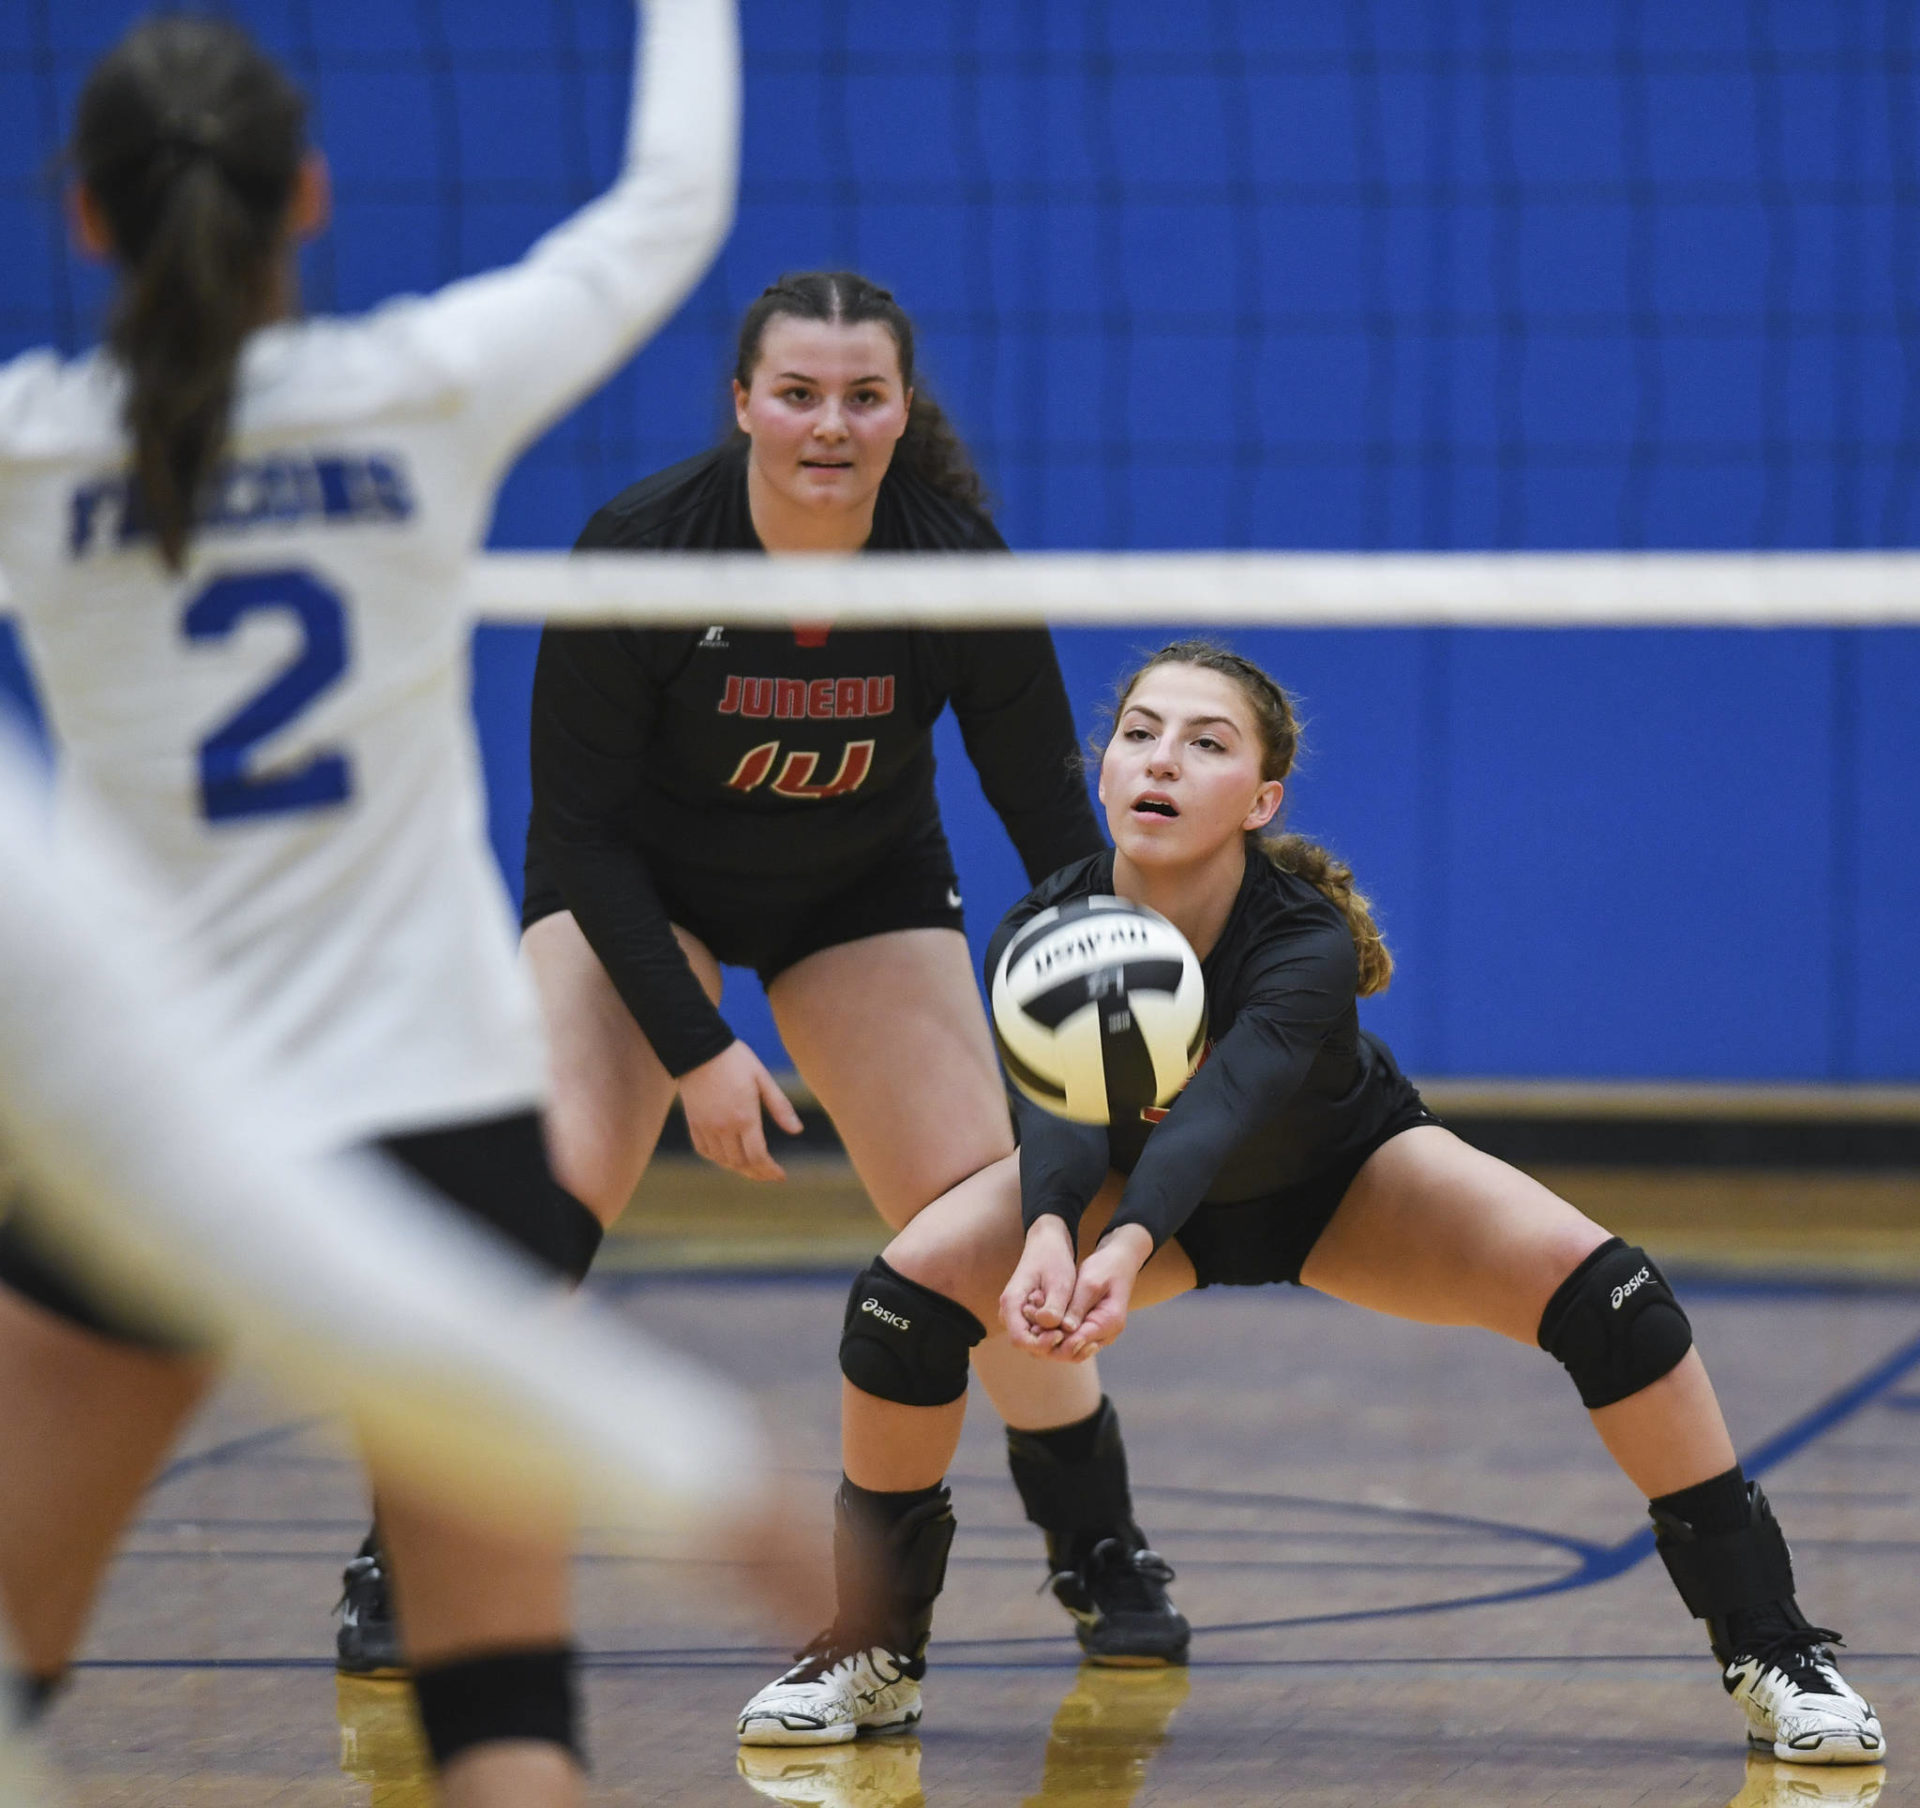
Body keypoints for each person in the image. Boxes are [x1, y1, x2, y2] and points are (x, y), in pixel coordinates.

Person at [0, 1, 738, 1800]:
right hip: (438, 1122)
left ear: (84, 213)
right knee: (500, 1719)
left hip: (148, 1137)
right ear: (308, 196)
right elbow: (668, 209)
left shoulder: (29, 446)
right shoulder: (420, 389)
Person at [735, 640, 1886, 1765]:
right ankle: (872, 1649)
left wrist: (1123, 1246)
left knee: (1617, 1298)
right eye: (1139, 734)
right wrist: (1048, 1227)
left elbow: (1225, 1106)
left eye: (1204, 742)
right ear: (1105, 768)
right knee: (903, 1298)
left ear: (1260, 795)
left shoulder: (1301, 935)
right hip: (1148, 1196)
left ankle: (1775, 1649)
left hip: (1344, 1185)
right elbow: (1065, 1116)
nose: (1161, 761)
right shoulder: (1048, 926)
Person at [374, 268, 1188, 1683]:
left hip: (854, 889)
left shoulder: (951, 566)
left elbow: (1055, 824)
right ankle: (407, 1547)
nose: (829, 424)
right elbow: (573, 831)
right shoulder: (642, 551)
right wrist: (696, 1048)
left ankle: (1096, 1540)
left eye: (861, 397)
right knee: (549, 1197)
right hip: (632, 888)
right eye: (798, 394)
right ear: (744, 402)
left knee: (988, 1219)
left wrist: (1130, 1023)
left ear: (901, 411)